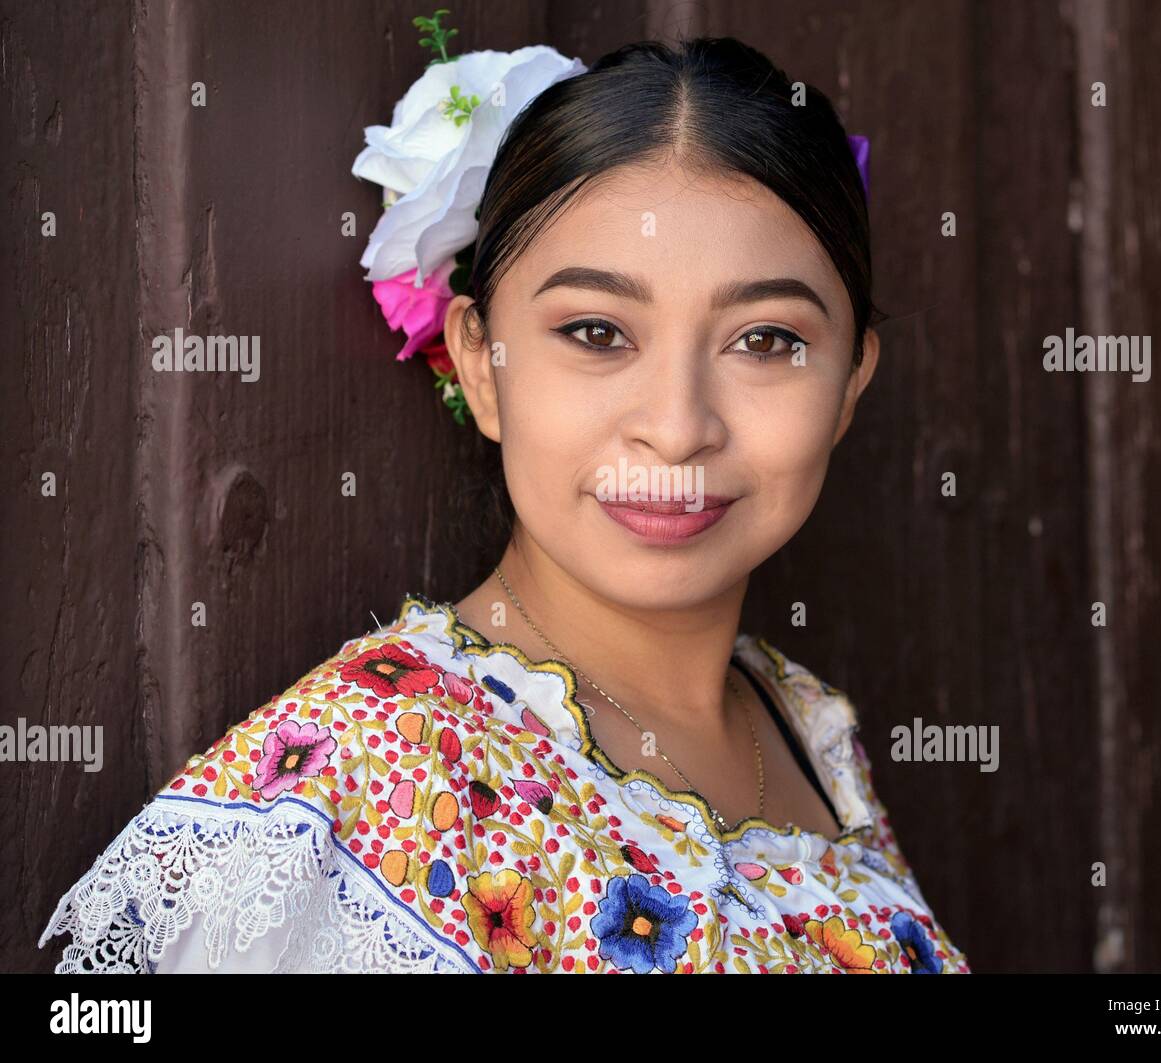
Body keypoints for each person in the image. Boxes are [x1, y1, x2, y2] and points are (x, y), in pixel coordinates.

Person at [39, 34, 970, 974]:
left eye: (765, 340)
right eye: (597, 331)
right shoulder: (370, 785)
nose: (679, 426)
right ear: (483, 363)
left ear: (850, 380)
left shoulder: (805, 729)